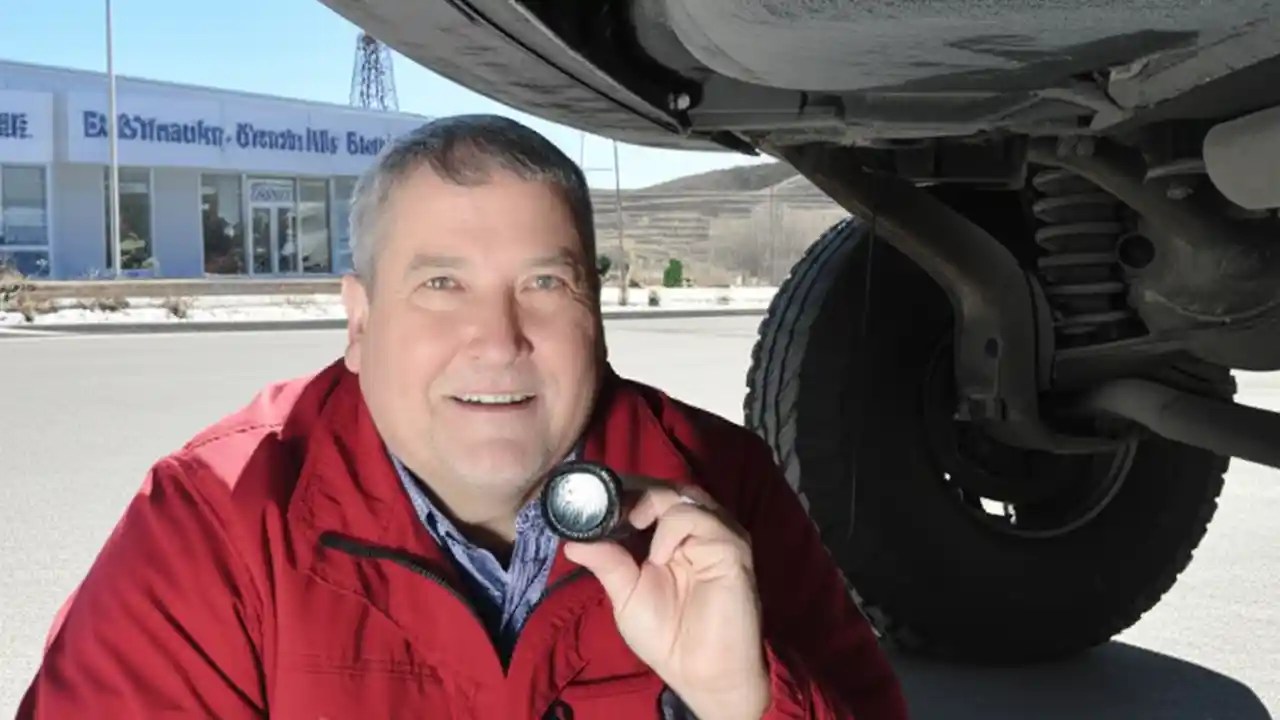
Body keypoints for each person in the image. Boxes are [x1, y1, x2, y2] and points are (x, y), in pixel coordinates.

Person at [17, 115, 909, 719]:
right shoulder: (214, 521)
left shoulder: (720, 489)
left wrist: (746, 700)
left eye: (544, 283)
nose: (498, 338)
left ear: (594, 312)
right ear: (360, 323)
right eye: (442, 284)